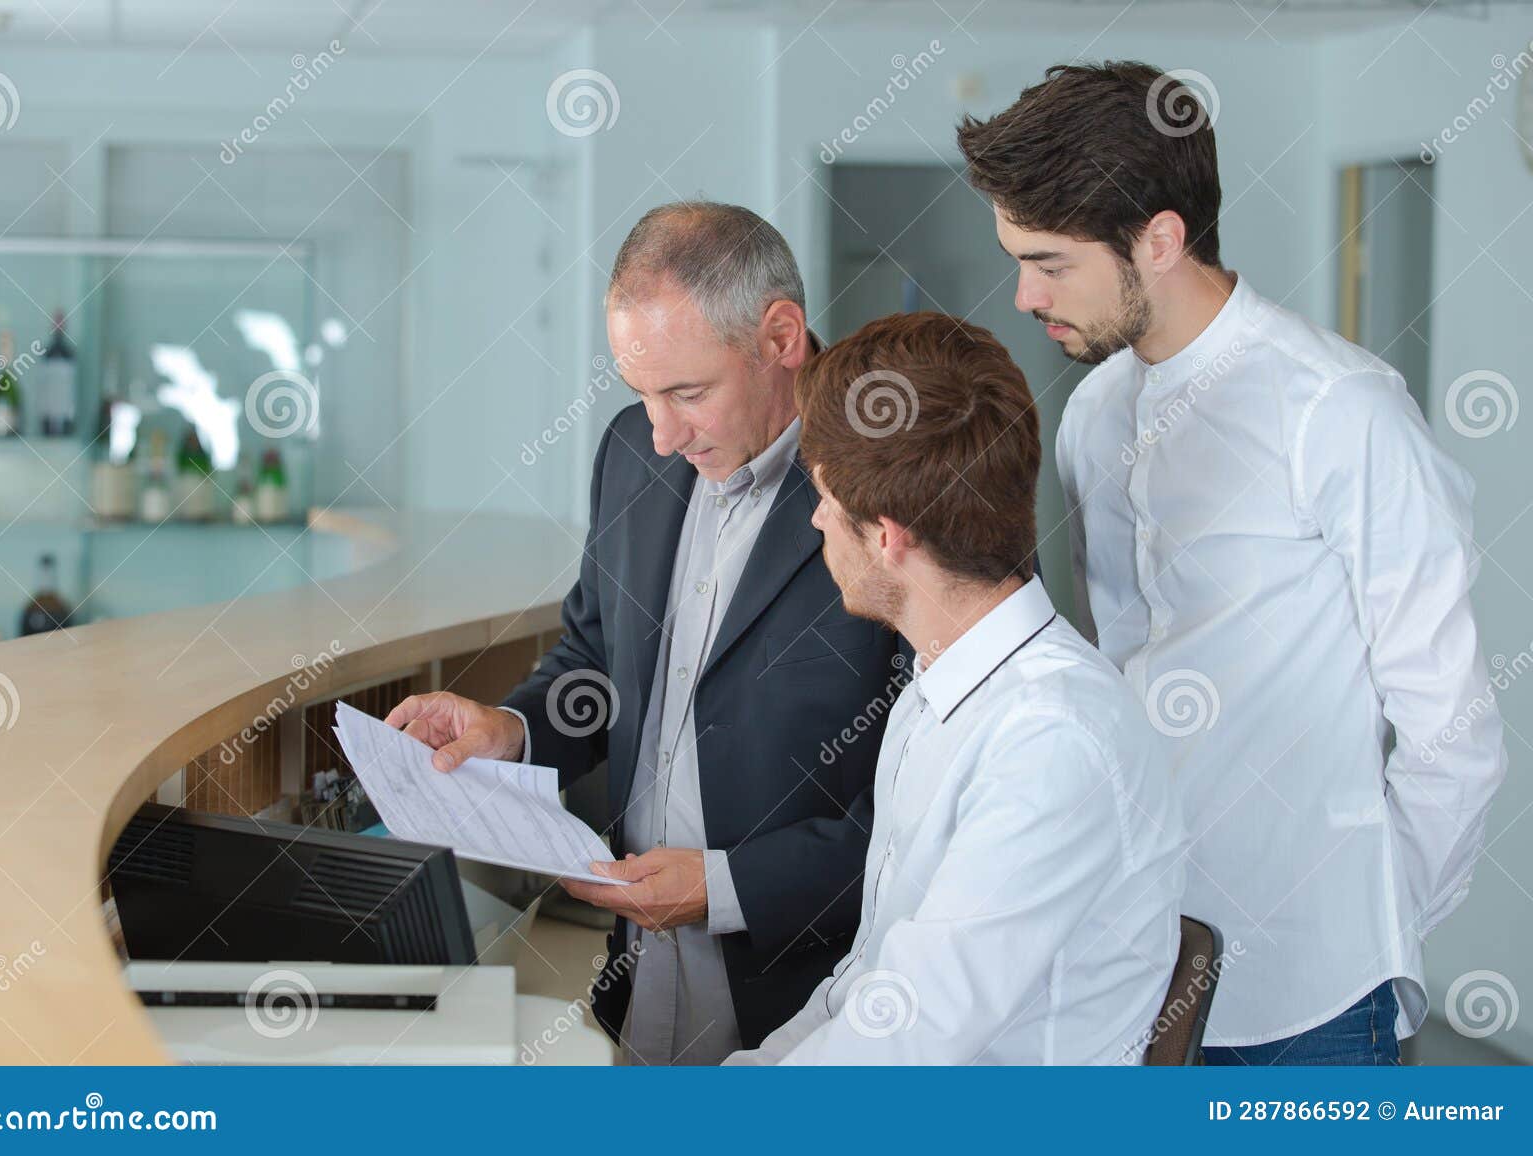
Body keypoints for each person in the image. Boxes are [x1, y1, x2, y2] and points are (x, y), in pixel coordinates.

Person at [957, 61, 1506, 1064]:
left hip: (1320, 995)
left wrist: (1377, 928)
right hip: (1137, 961)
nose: (1025, 295)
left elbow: (1452, 728)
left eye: (1049, 262)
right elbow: (1119, 671)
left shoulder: (1338, 408)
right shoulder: (1093, 411)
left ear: (1158, 240)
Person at [385, 202, 903, 1065]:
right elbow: (595, 657)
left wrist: (726, 888)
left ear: (781, 337)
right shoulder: (634, 451)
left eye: (688, 394)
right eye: (642, 394)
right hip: (638, 978)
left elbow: (927, 807)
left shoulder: (894, 480)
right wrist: (510, 731)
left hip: (815, 998)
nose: (662, 433)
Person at [726, 311, 1184, 1065]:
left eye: (826, 498)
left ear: (888, 534)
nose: (814, 519)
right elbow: (868, 984)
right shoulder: (939, 687)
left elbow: (909, 1037)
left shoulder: (1051, 739)